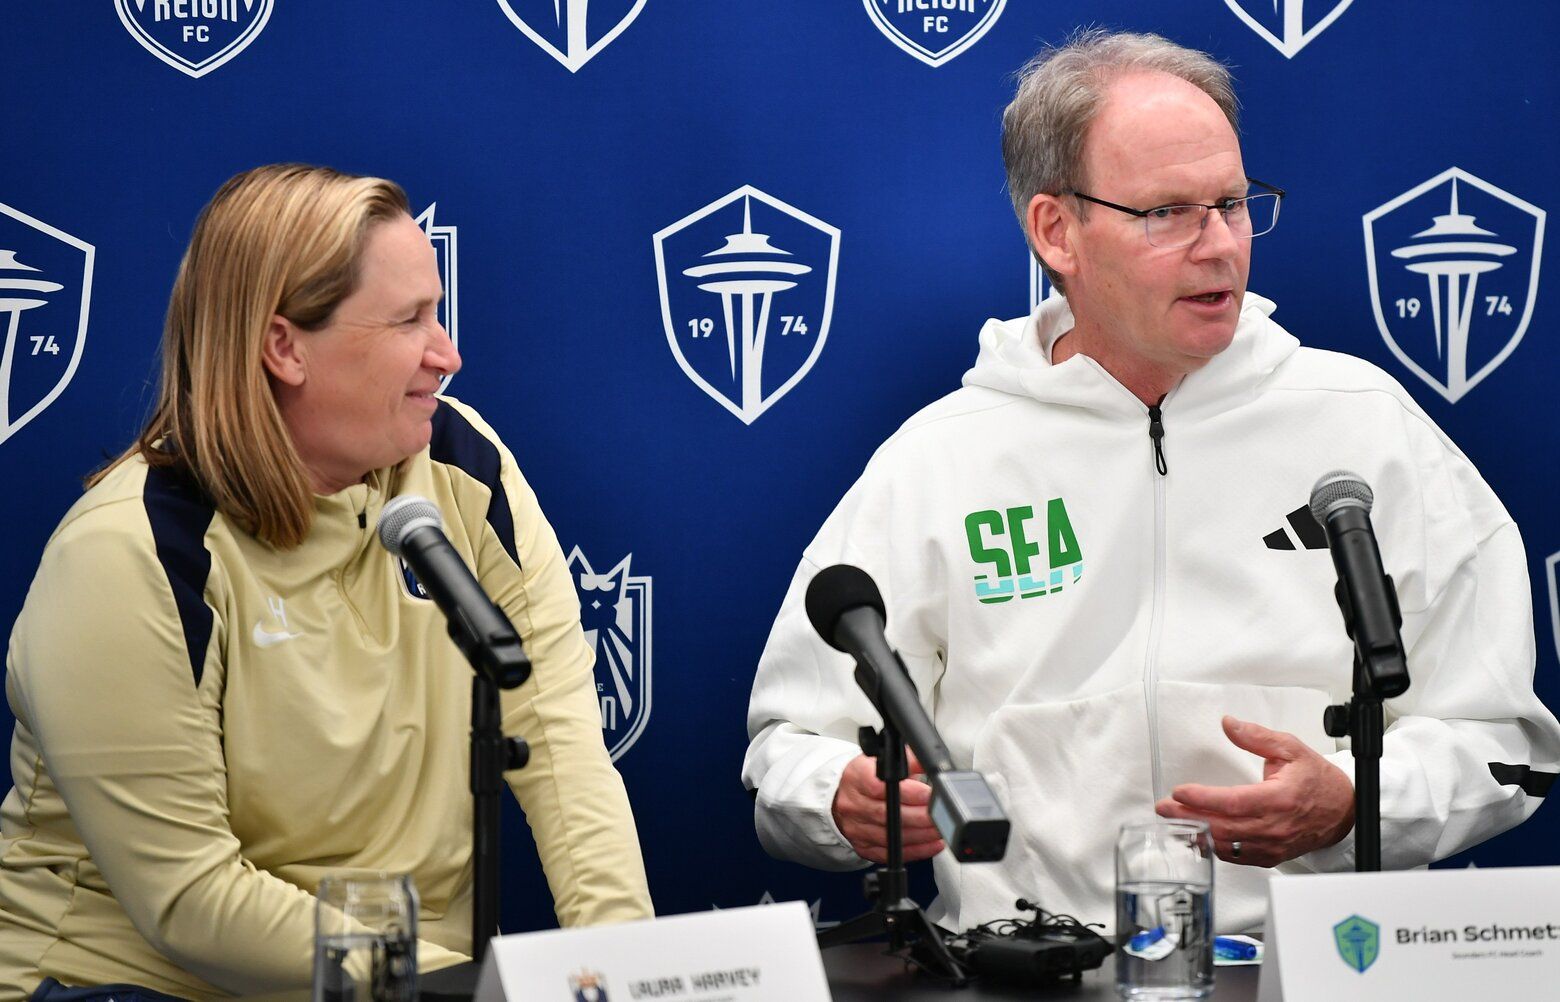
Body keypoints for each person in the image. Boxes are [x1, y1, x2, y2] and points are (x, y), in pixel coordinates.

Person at [742, 30, 1560, 935]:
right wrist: (842, 802)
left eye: (1234, 204)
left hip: (1313, 972)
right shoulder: (940, 458)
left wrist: (1360, 798)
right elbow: (789, 750)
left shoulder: (1365, 426)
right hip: (1028, 977)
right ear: (1058, 231)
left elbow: (1504, 744)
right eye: (1168, 213)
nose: (1220, 246)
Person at [0, 164, 653, 1001]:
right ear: (283, 347)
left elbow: (562, 750)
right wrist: (469, 991)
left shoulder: (466, 467)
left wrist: (625, 972)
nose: (447, 354)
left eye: (439, 312)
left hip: (402, 988)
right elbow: (191, 899)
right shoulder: (128, 552)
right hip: (129, 987)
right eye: (409, 320)